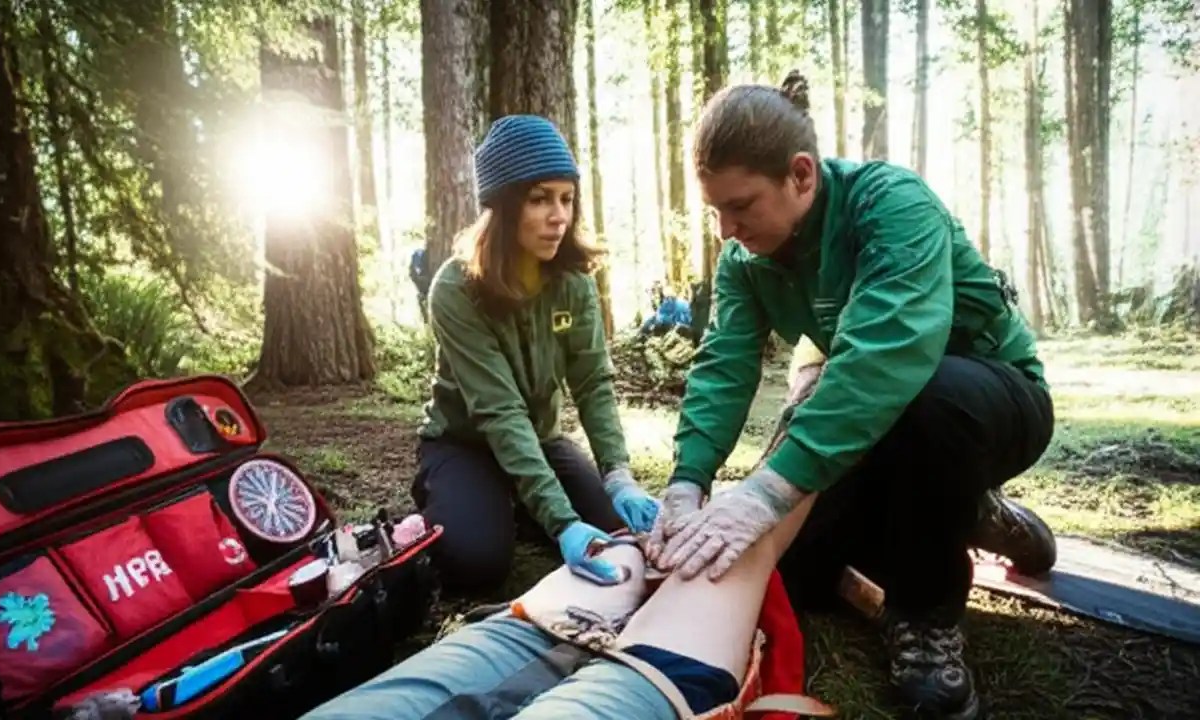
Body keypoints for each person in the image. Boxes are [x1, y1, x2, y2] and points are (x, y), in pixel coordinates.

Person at [646, 72, 1057, 719]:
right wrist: (687, 481)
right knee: (792, 571)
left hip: (986, 400)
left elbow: (883, 358)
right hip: (878, 424)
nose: (726, 228)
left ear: (801, 176)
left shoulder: (892, 206)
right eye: (714, 210)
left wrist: (765, 491)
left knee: (927, 400)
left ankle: (925, 614)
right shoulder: (745, 260)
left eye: (742, 205)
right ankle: (965, 516)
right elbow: (723, 366)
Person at [298, 494, 826, 720]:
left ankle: (635, 557)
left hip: (523, 632)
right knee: (730, 551)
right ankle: (806, 415)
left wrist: (616, 475)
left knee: (618, 556)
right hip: (639, 671)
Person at [414, 114, 660, 594]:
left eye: (566, 199)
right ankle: (464, 496)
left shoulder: (573, 282)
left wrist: (619, 474)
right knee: (476, 564)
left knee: (619, 532)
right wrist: (562, 520)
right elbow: (498, 410)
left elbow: (592, 384)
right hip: (465, 443)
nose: (559, 216)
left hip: (542, 440)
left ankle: (527, 502)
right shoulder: (454, 289)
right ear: (504, 206)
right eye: (539, 199)